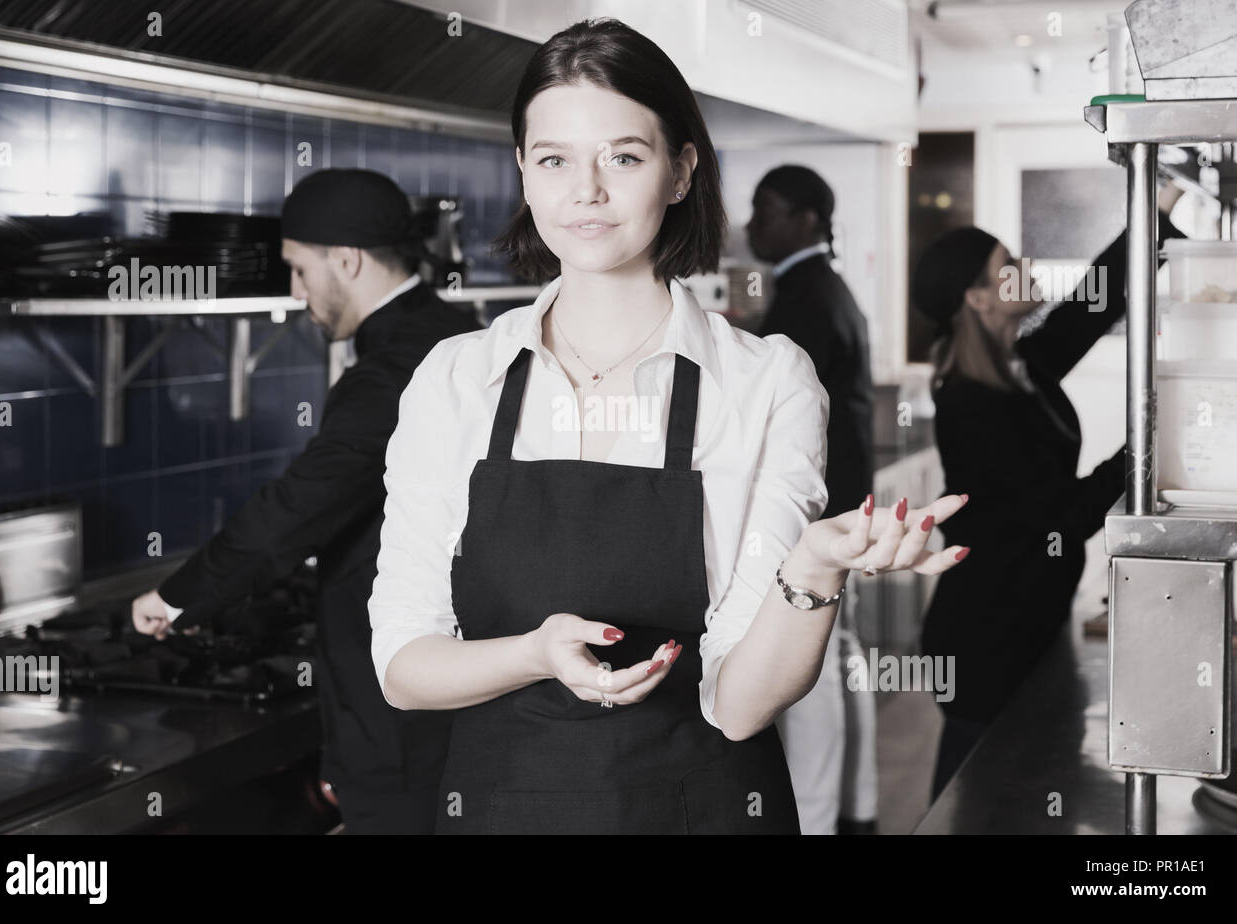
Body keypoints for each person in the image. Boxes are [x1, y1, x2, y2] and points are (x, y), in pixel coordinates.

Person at [368, 17, 969, 835]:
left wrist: (815, 568)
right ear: (523, 171)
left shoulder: (762, 381)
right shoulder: (457, 380)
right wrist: (533, 654)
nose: (586, 191)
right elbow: (404, 668)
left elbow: (739, 703)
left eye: (624, 156)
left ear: (681, 170)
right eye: (554, 160)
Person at [131, 169, 479, 833]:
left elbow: (304, 502)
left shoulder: (394, 367)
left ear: (345, 260)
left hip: (401, 709)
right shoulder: (452, 329)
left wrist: (180, 595)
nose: (296, 293)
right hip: (442, 693)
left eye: (298, 270)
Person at [913, 183, 1185, 801]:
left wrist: (1156, 210)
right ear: (979, 298)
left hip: (1028, 612)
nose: (1025, 269)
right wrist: (1149, 442)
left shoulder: (1023, 366)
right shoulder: (967, 404)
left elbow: (1091, 307)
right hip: (985, 632)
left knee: (1020, 777)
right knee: (974, 790)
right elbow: (1058, 516)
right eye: (1007, 266)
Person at [747, 165, 877, 834]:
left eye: (764, 211)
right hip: (845, 496)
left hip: (819, 506)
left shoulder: (802, 294)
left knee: (815, 663)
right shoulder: (828, 286)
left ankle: (819, 817)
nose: (751, 226)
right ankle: (858, 805)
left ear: (804, 219)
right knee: (839, 651)